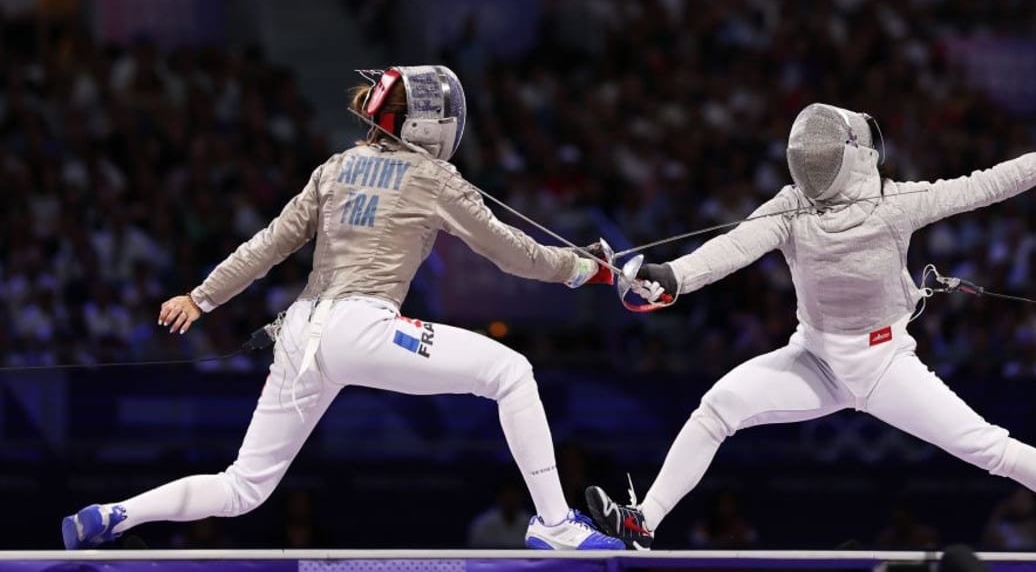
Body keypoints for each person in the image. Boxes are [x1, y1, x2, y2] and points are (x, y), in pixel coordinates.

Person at [61, 65, 623, 551]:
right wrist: (583, 268)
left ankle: (113, 514)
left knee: (242, 487)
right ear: (428, 125)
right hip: (362, 327)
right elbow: (513, 253)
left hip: (299, 332)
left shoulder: (335, 168)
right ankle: (556, 524)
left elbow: (269, 243)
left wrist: (200, 296)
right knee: (512, 372)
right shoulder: (433, 177)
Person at [586, 103, 1036, 553]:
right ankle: (643, 522)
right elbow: (733, 247)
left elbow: (982, 185)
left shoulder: (894, 205)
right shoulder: (791, 207)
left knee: (988, 447)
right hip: (814, 359)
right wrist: (672, 277)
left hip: (884, 364)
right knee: (717, 408)